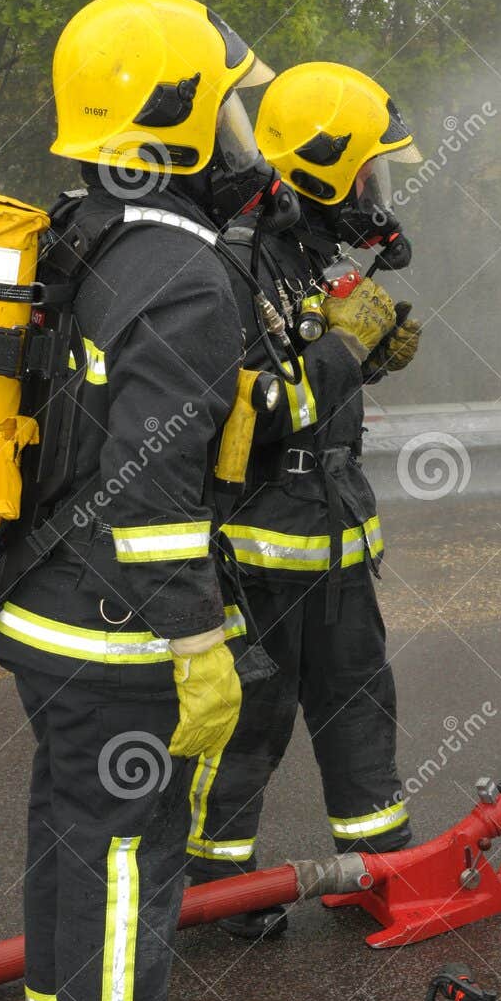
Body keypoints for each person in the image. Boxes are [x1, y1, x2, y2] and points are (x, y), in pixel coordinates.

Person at [0, 0, 287, 1001]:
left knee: (69, 819)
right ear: (174, 119)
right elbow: (152, 495)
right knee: (126, 845)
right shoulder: (185, 274)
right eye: (228, 110)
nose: (242, 139)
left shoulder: (87, 228)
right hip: (109, 625)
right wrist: (198, 646)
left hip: (37, 598)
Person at [186, 61, 424, 939]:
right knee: (250, 720)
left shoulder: (312, 258)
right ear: (326, 172)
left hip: (336, 538)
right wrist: (343, 354)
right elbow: (247, 413)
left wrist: (367, 357)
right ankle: (216, 892)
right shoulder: (236, 264)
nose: (377, 191)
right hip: (257, 553)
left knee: (361, 704)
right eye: (368, 171)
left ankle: (379, 867)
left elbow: (313, 382)